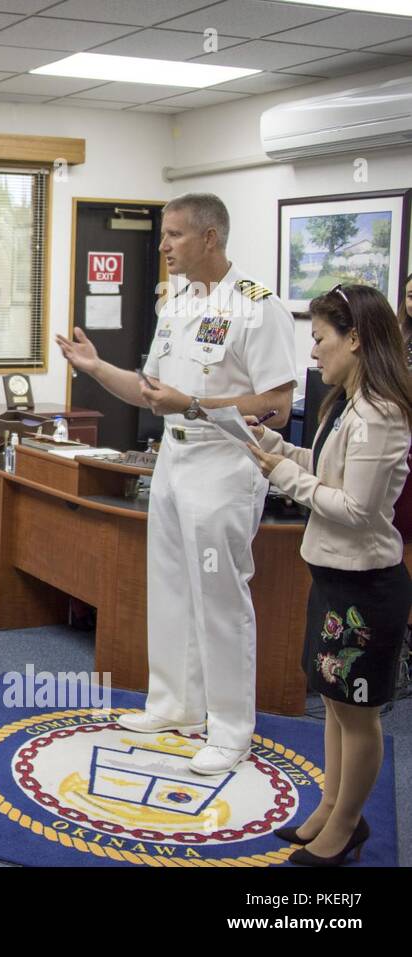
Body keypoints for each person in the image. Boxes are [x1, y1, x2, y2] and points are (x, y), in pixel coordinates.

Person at [55, 192, 296, 775]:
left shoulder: (258, 308)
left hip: (224, 463)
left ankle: (231, 727)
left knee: (219, 597)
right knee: (168, 585)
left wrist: (194, 404)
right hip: (172, 461)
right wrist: (95, 368)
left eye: (176, 236)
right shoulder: (179, 303)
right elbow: (149, 390)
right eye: (163, 235)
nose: (163, 246)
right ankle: (175, 703)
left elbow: (279, 406)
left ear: (211, 238)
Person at [245, 284, 412, 866]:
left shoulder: (382, 413)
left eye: (320, 339)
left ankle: (346, 825)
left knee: (358, 714)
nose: (313, 353)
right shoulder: (345, 404)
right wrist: (271, 445)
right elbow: (327, 470)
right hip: (334, 578)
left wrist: (282, 478)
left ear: (356, 339)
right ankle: (330, 806)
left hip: (367, 587)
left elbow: (358, 509)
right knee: (336, 704)